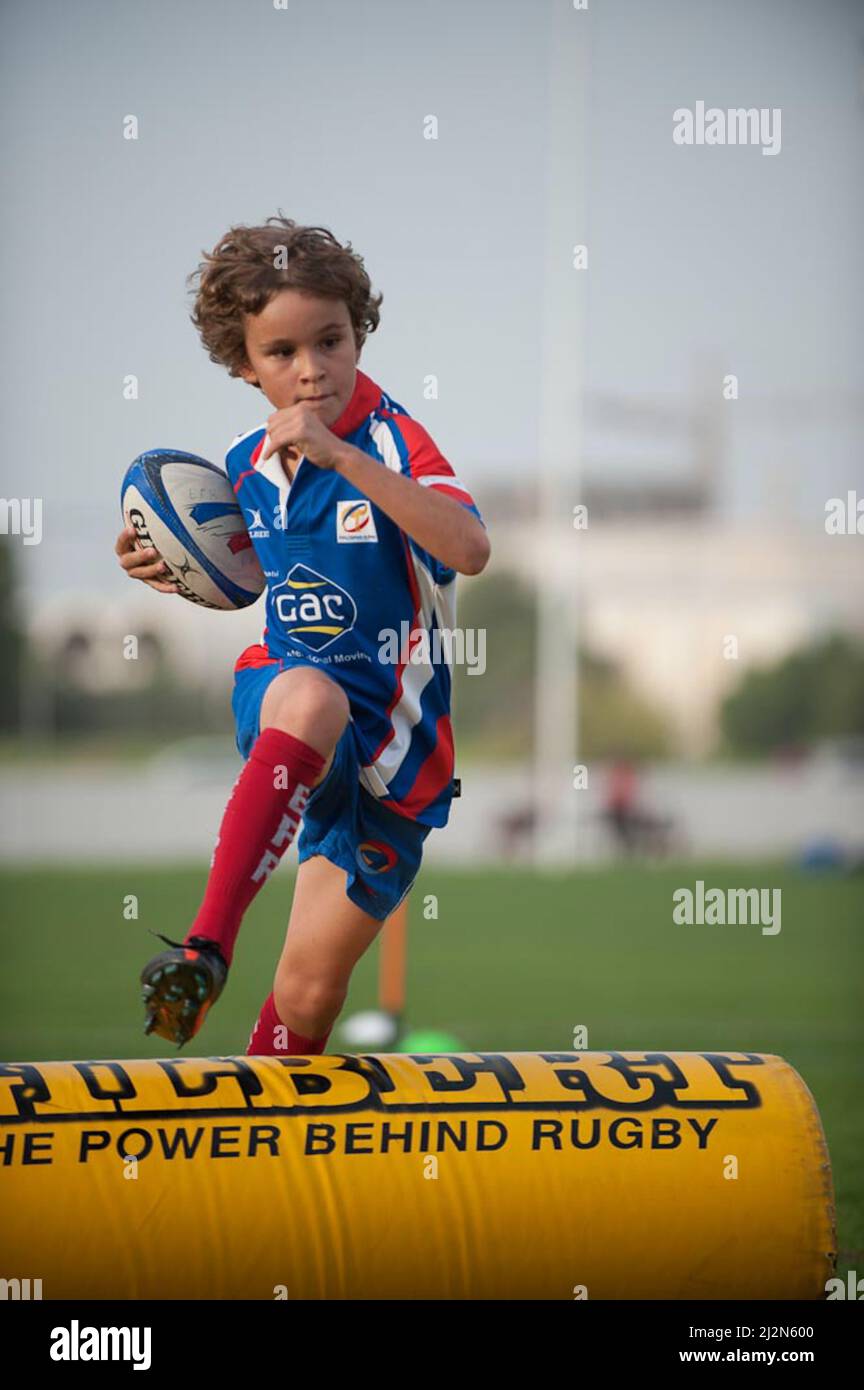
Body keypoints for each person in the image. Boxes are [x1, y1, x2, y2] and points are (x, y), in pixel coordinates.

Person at [114, 215, 490, 1056]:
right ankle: (206, 949)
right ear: (245, 366)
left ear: (360, 333)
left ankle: (257, 1159)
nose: (313, 369)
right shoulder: (243, 468)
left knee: (309, 999)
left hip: (395, 763)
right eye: (283, 353)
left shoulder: (392, 441)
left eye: (332, 339)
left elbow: (469, 547)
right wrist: (165, 566)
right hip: (289, 704)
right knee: (311, 694)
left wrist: (345, 460)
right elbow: (238, 573)